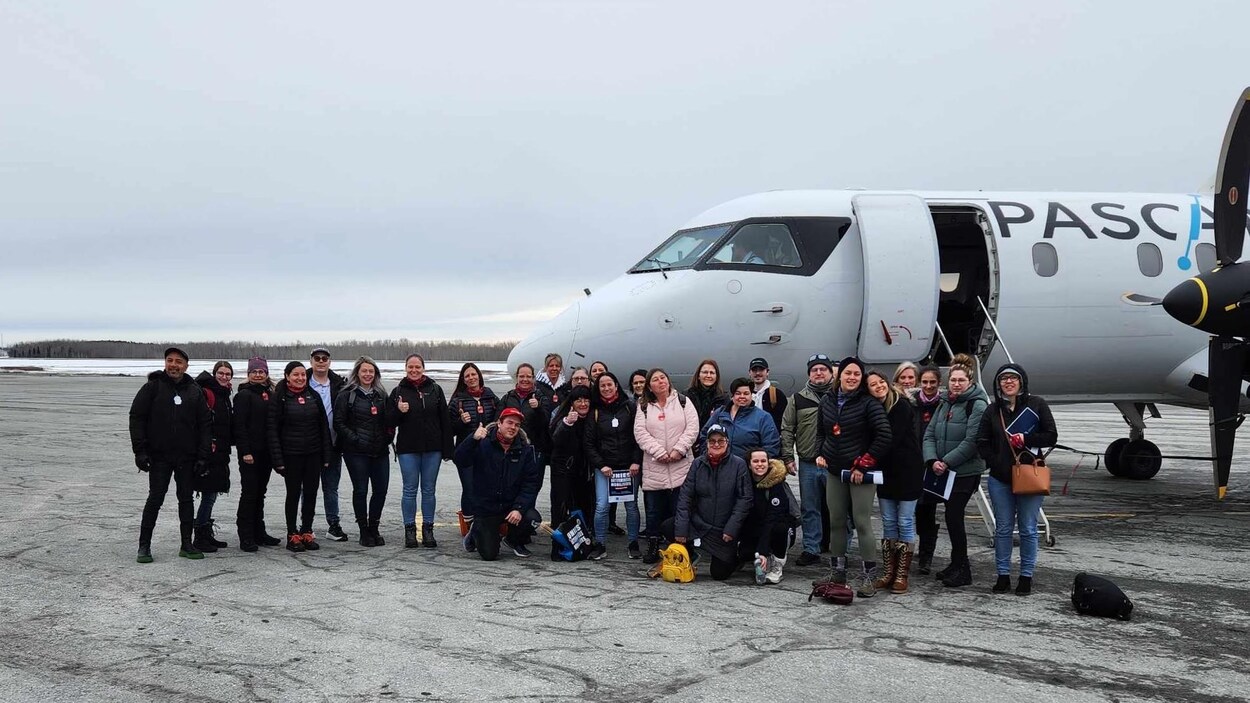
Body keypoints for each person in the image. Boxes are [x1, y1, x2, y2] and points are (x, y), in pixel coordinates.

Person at [977, 363, 1057, 596]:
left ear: (1021, 381)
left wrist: (1027, 437)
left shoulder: (1036, 405)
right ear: (998, 384)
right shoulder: (993, 410)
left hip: (1028, 475)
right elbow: (982, 442)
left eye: (1013, 378)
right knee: (1002, 529)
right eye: (1004, 379)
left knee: (1028, 529)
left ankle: (1026, 576)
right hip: (1000, 478)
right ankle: (1002, 575)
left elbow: (1051, 436)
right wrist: (997, 463)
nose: (1008, 382)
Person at [815, 357, 892, 597]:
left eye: (857, 374)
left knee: (861, 522)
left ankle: (869, 575)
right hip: (835, 471)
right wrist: (820, 453)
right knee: (836, 520)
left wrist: (863, 464)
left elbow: (884, 435)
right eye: (848, 373)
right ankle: (838, 571)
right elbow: (821, 432)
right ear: (840, 376)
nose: (852, 378)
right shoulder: (827, 401)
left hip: (860, 474)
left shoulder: (868, 403)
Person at [129, 347, 211, 562]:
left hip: (187, 456)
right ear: (165, 363)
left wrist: (203, 456)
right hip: (159, 456)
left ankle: (186, 544)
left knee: (186, 500)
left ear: (186, 366)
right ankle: (144, 546)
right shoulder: (152, 388)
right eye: (170, 361)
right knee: (155, 499)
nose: (174, 365)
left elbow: (204, 424)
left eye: (179, 362)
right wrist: (140, 451)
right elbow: (136, 418)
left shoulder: (194, 391)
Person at [922, 360, 989, 588]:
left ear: (970, 382)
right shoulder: (945, 403)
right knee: (950, 518)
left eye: (961, 380)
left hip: (964, 473)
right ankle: (955, 564)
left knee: (954, 517)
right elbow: (929, 434)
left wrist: (946, 462)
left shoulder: (976, 405)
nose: (957, 384)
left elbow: (972, 442)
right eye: (953, 380)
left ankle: (963, 570)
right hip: (944, 470)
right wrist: (932, 460)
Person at [662, 424, 754, 581]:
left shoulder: (739, 465)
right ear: (707, 443)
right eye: (712, 441)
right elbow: (685, 497)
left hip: (723, 530)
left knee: (719, 574)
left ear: (727, 442)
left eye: (721, 441)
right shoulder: (697, 464)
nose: (716, 444)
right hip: (699, 524)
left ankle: (736, 558)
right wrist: (681, 530)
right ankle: (691, 553)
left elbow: (745, 500)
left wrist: (731, 529)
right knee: (668, 526)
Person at [455, 408, 543, 561]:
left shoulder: (525, 449)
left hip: (511, 506)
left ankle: (513, 540)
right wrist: (472, 439)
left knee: (533, 518)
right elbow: (460, 459)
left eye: (517, 425)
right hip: (487, 507)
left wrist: (519, 509)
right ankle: (476, 531)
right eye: (509, 423)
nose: (513, 427)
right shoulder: (482, 443)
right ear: (499, 423)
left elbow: (530, 483)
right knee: (489, 555)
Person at [865, 371, 924, 594]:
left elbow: (889, 438)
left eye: (881, 382)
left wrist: (868, 457)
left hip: (907, 471)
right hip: (886, 472)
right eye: (873, 384)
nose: (878, 386)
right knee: (889, 521)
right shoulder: (874, 408)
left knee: (905, 521)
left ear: (888, 383)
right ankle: (888, 572)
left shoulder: (901, 406)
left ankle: (901, 574)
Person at [634, 368, 700, 563]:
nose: (661, 381)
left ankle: (680, 547)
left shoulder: (683, 401)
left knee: (680, 510)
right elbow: (640, 433)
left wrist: (679, 450)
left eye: (663, 377)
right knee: (653, 511)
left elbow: (693, 427)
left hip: (681, 466)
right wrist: (660, 452)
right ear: (649, 386)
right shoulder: (643, 406)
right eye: (655, 379)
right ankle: (653, 546)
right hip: (655, 467)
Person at [268, 361, 332, 552]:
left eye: (303, 375)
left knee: (311, 494)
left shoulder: (313, 395)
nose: (300, 378)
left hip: (312, 454)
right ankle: (292, 533)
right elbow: (272, 430)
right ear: (287, 376)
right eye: (296, 375)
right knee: (293, 494)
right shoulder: (280, 398)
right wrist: (278, 460)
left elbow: (323, 427)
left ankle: (306, 530)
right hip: (291, 455)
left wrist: (326, 455)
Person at [391, 353, 453, 549]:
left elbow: (445, 420)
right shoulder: (398, 391)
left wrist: (447, 449)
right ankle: (410, 530)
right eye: (410, 367)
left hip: (432, 449)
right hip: (408, 449)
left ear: (423, 368)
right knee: (409, 490)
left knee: (428, 490)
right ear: (406, 368)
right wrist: (397, 410)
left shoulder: (435, 389)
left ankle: (428, 529)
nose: (414, 370)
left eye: (417, 367)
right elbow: (388, 422)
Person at [779, 353, 835, 567]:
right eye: (814, 370)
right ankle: (812, 548)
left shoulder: (841, 395)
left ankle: (842, 550)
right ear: (809, 374)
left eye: (823, 369)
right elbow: (787, 428)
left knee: (840, 509)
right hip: (809, 462)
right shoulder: (798, 399)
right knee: (810, 508)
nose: (819, 373)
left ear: (831, 373)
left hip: (835, 463)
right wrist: (787, 456)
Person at [334, 356, 393, 548]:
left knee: (380, 490)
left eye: (371, 371)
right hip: (356, 452)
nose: (368, 374)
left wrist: (388, 438)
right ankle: (363, 530)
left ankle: (374, 527)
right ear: (357, 373)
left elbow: (390, 420)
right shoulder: (347, 395)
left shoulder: (381, 394)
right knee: (360, 490)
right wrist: (355, 439)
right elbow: (339, 422)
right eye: (364, 371)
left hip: (380, 451)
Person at [585, 372, 643, 560]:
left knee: (631, 506)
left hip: (628, 468)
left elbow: (638, 436)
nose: (606, 388)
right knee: (601, 506)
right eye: (602, 385)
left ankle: (633, 542)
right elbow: (589, 443)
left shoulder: (630, 408)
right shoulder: (594, 411)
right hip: (605, 469)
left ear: (616, 385)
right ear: (598, 388)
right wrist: (601, 465)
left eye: (610, 384)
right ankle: (600, 543)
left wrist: (636, 461)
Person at [233, 357, 281, 552]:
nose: (258, 374)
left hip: (266, 453)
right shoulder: (244, 395)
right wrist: (245, 451)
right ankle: (245, 535)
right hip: (250, 454)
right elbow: (239, 426)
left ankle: (259, 532)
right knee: (249, 494)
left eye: (261, 372)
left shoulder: (270, 394)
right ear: (249, 374)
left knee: (260, 493)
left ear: (266, 374)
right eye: (255, 372)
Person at [449, 362, 500, 542]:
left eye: (473, 374)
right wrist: (461, 422)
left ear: (479, 375)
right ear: (463, 380)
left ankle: (485, 522)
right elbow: (450, 429)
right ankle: (469, 524)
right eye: (467, 376)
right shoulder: (458, 401)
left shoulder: (491, 397)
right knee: (469, 488)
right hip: (466, 451)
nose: (471, 378)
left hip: (487, 451)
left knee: (486, 487)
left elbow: (499, 422)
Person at [191, 361, 234, 554]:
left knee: (213, 493)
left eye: (228, 374)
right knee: (208, 494)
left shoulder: (224, 394)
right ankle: (200, 534)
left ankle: (205, 531)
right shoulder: (208, 392)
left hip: (220, 452)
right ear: (214, 374)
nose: (224, 377)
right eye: (221, 373)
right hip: (209, 452)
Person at [547, 385, 594, 559]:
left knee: (582, 508)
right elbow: (556, 439)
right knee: (560, 508)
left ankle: (579, 544)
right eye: (579, 400)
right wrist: (568, 423)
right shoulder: (564, 417)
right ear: (572, 403)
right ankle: (558, 547)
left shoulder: (591, 418)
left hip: (582, 471)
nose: (583, 403)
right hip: (563, 470)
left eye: (586, 399)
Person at [307, 347, 348, 542]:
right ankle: (305, 526)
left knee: (331, 488)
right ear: (311, 361)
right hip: (308, 447)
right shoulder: (301, 381)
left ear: (329, 362)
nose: (321, 361)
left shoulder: (339, 384)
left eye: (324, 358)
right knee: (306, 489)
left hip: (333, 445)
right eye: (317, 358)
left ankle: (334, 525)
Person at [744, 449, 800, 585]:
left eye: (763, 461)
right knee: (744, 553)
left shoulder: (776, 485)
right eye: (755, 461)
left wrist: (761, 551)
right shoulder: (746, 482)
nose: (760, 464)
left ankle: (777, 564)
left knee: (779, 528)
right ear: (749, 465)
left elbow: (771, 520)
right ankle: (762, 558)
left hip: (779, 529)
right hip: (757, 528)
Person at [701, 377, 781, 461]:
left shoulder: (763, 417)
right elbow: (704, 436)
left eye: (746, 393)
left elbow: (771, 445)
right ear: (733, 395)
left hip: (748, 470)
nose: (742, 396)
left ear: (751, 395)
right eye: (738, 393)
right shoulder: (719, 413)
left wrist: (759, 465)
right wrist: (708, 457)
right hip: (719, 468)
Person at [913, 365, 944, 574]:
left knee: (927, 512)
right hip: (912, 465)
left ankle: (926, 556)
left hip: (933, 465)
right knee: (911, 512)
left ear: (938, 383)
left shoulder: (943, 405)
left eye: (932, 382)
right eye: (925, 382)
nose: (929, 386)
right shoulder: (912, 404)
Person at [749, 357, 788, 431]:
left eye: (761, 370)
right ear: (749, 373)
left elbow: (784, 422)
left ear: (767, 372)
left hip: (769, 439)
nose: (757, 373)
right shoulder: (744, 395)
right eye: (754, 370)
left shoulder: (777, 394)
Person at [686, 359, 727, 427]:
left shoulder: (723, 398)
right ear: (698, 376)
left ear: (716, 377)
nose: (708, 376)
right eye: (705, 372)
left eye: (712, 373)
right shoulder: (687, 396)